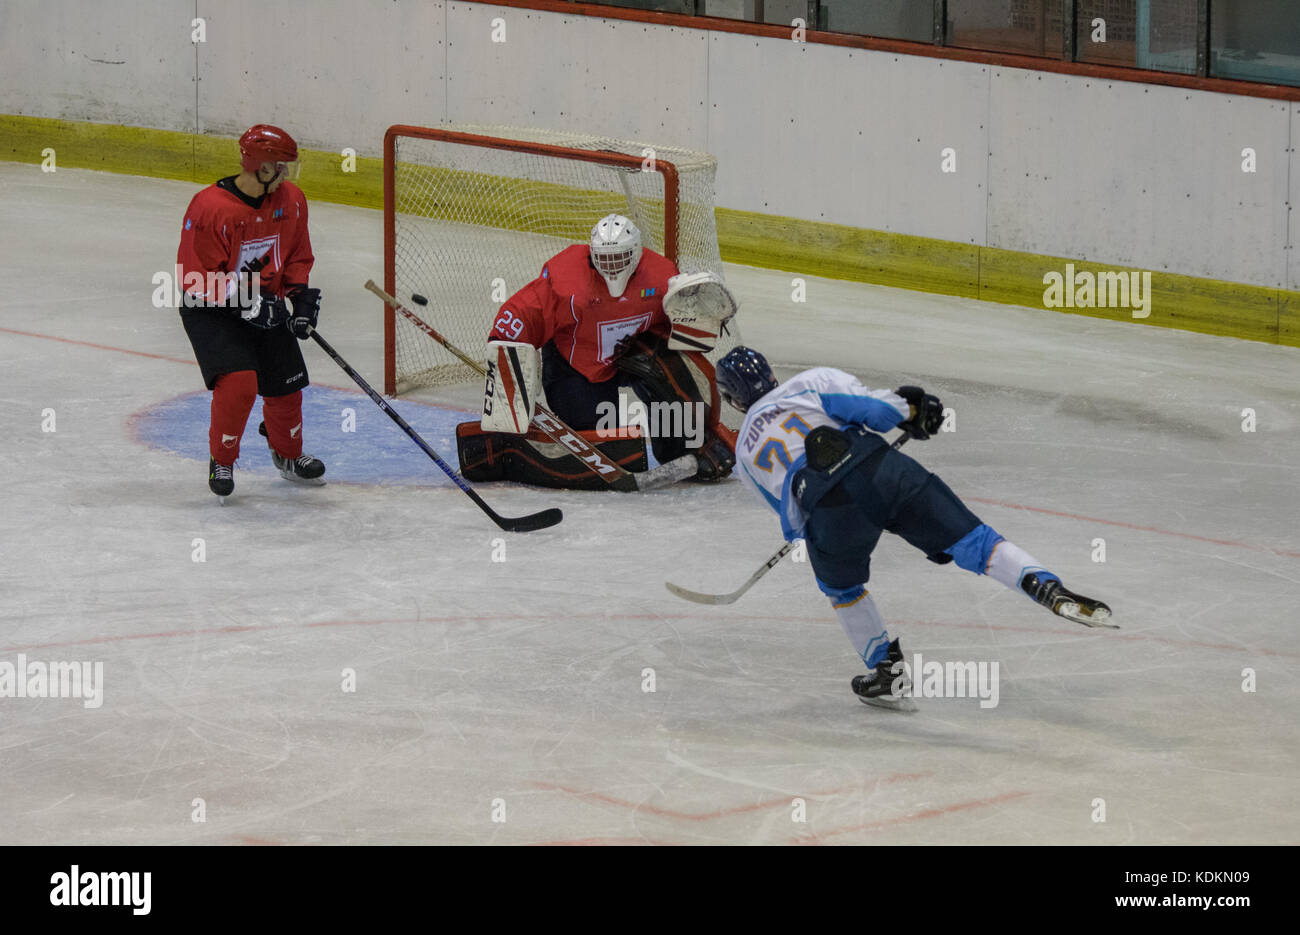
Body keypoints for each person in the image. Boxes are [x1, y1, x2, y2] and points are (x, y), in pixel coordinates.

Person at [716, 346, 1114, 710]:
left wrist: (820, 536)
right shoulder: (809, 382)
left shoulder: (744, 453)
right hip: (883, 470)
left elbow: (790, 518)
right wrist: (912, 412)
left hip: (830, 510)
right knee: (973, 541)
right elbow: (875, 410)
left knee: (843, 588)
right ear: (770, 374)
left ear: (733, 399)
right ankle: (1043, 584)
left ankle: (888, 674)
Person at [456, 214, 736, 489]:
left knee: (674, 372)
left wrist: (705, 424)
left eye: (620, 258)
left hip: (633, 359)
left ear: (637, 254)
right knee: (605, 438)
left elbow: (680, 332)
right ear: (592, 255)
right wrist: (505, 354)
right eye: (604, 258)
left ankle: (684, 445)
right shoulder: (567, 281)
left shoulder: (661, 276)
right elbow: (522, 314)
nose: (612, 267)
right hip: (576, 364)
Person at [176, 124, 325, 500]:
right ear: (261, 167)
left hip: (266, 304)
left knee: (288, 383)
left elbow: (296, 255)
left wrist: (300, 296)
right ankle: (222, 459)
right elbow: (195, 278)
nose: (286, 174)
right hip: (211, 310)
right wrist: (246, 300)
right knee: (240, 384)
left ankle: (288, 455)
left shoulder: (290, 200)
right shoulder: (210, 208)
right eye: (280, 166)